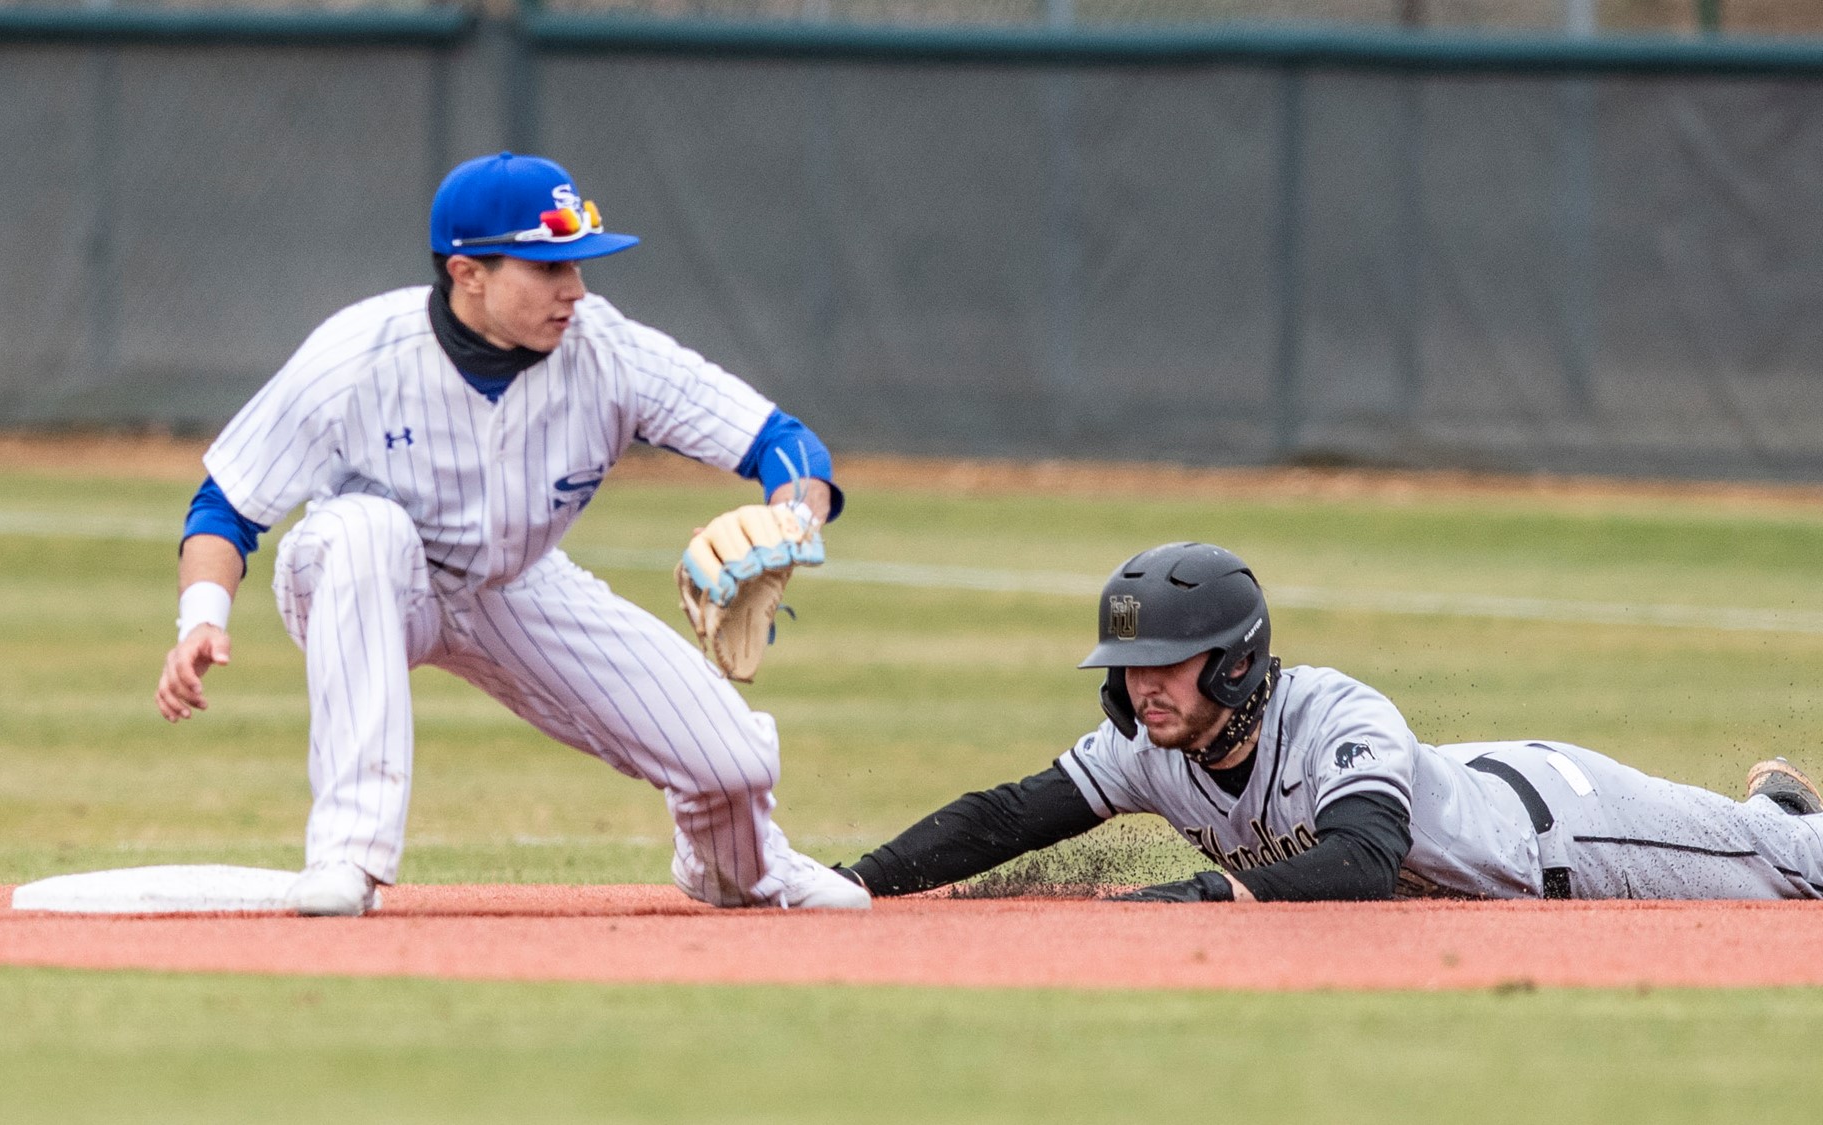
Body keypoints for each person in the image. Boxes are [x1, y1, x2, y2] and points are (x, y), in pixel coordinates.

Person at [155, 151, 870, 915]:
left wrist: (794, 515)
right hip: (364, 578)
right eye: (548, 267)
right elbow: (226, 503)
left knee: (730, 760)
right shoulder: (358, 355)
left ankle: (737, 867)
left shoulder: (607, 351)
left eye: (579, 264)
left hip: (517, 581)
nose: (576, 289)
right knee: (368, 528)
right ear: (468, 273)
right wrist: (202, 619)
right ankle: (346, 858)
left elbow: (783, 442)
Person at [836, 541, 1823, 903]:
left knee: (1790, 871)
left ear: (1235, 660)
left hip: (1558, 825)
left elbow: (1360, 860)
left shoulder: (1335, 715)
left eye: (1162, 663)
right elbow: (1007, 815)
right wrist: (852, 882)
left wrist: (1217, 895)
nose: (1142, 690)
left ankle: (1781, 817)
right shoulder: (1153, 744)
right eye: (1127, 668)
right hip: (1456, 784)